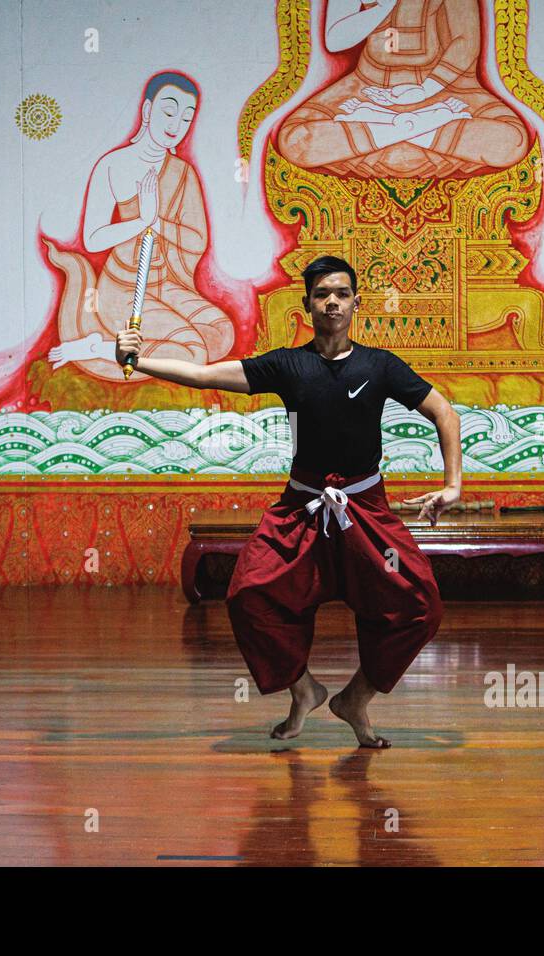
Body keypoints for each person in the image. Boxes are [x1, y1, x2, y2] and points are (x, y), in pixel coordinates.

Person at [116, 255, 462, 748]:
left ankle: (355, 700)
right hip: (301, 509)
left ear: (356, 303)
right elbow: (206, 375)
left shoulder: (380, 365)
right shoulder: (288, 364)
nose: (332, 302)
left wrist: (453, 484)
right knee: (247, 596)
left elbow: (443, 412)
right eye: (322, 295)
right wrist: (137, 360)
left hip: (365, 511)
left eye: (341, 293)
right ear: (307, 305)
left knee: (421, 604)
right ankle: (304, 690)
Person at [45, 71, 234, 380]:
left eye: (186, 118)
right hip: (123, 288)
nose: (176, 126)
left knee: (221, 334)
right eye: (169, 112)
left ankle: (107, 345)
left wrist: (155, 222)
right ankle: (98, 349)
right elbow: (92, 240)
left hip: (170, 283)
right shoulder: (112, 165)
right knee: (195, 353)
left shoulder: (183, 173)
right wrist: (140, 221)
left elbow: (197, 240)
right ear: (147, 111)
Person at [276, 0, 529, 179]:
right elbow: (335, 40)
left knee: (512, 142)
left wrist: (425, 91)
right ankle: (421, 126)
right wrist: (381, 7)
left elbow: (465, 44)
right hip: (366, 87)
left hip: (446, 88)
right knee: (294, 141)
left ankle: (386, 125)